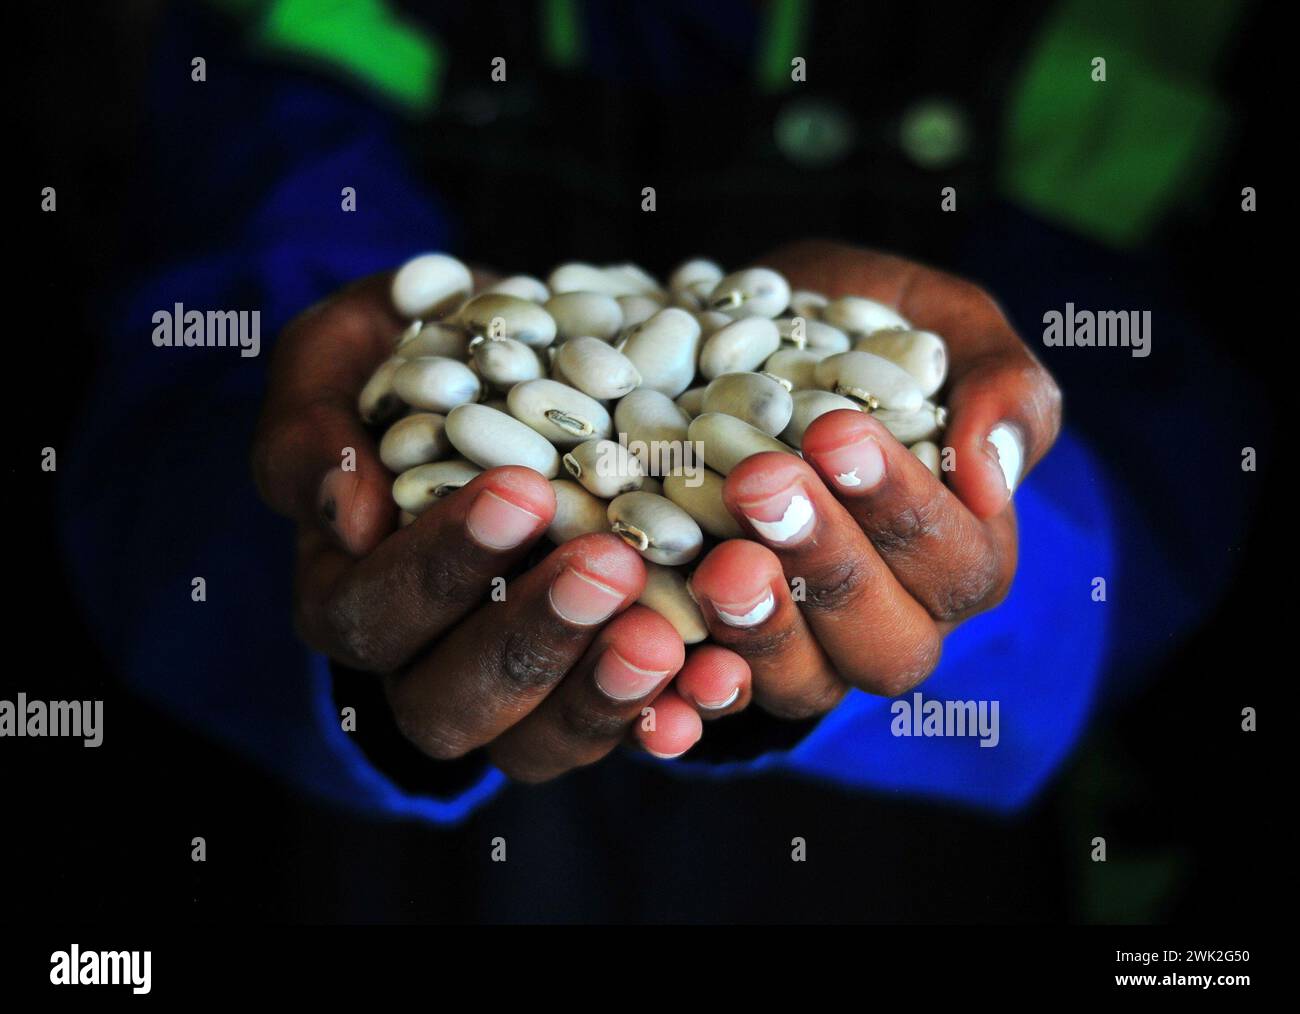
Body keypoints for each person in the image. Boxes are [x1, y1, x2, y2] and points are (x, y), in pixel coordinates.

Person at [57, 1, 1256, 917]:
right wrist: (333, 526)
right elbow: (206, 307)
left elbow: (1160, 476)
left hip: (903, 881)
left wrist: (962, 557)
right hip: (354, 872)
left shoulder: (1114, 31)